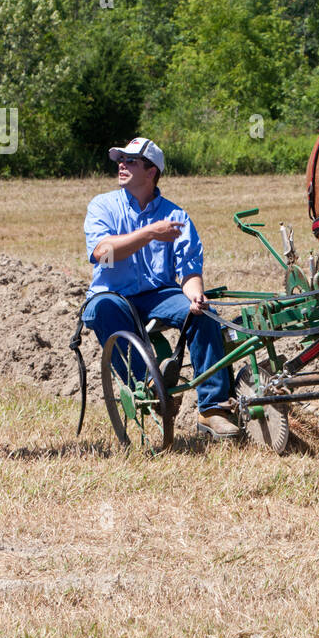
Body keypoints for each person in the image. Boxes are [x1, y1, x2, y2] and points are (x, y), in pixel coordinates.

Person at [82, 137, 241, 439]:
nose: (121, 165)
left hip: (159, 295)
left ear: (151, 171)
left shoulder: (176, 217)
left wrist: (195, 293)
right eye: (121, 160)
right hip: (113, 294)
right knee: (102, 309)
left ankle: (213, 409)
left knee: (203, 315)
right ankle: (151, 387)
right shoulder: (103, 205)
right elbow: (103, 254)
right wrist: (150, 233)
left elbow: (189, 268)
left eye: (130, 161)